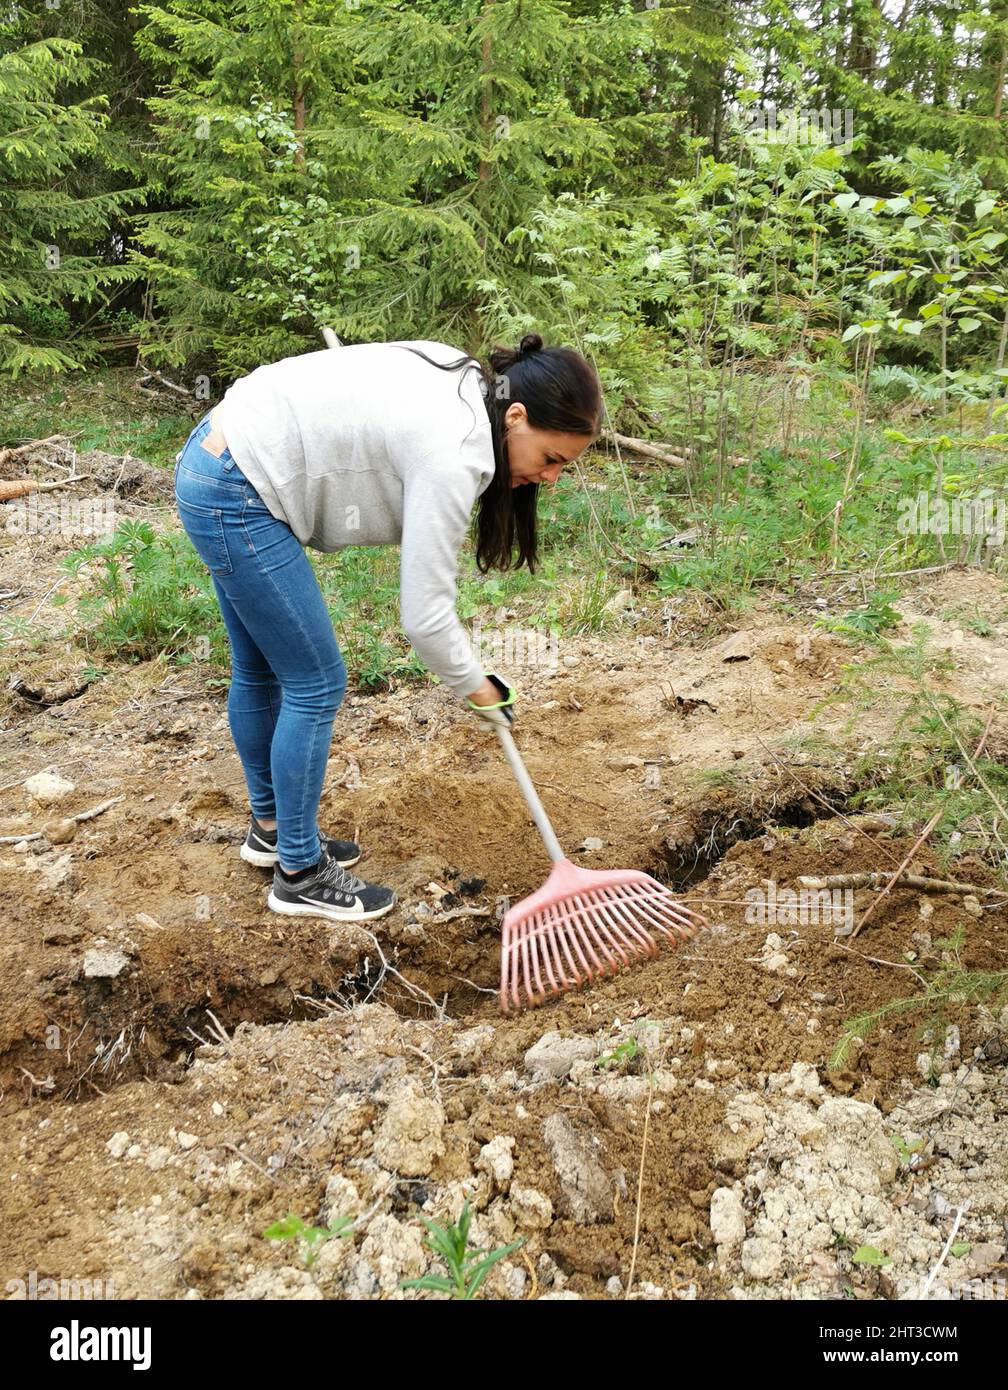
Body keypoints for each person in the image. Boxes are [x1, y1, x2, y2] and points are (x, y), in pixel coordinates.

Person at [173, 332, 602, 923]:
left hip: (217, 454)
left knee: (262, 667)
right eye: (551, 458)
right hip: (238, 486)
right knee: (316, 681)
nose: (552, 477)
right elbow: (424, 616)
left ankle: (272, 830)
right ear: (517, 415)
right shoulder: (457, 450)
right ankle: (297, 872)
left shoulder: (465, 379)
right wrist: (477, 686)